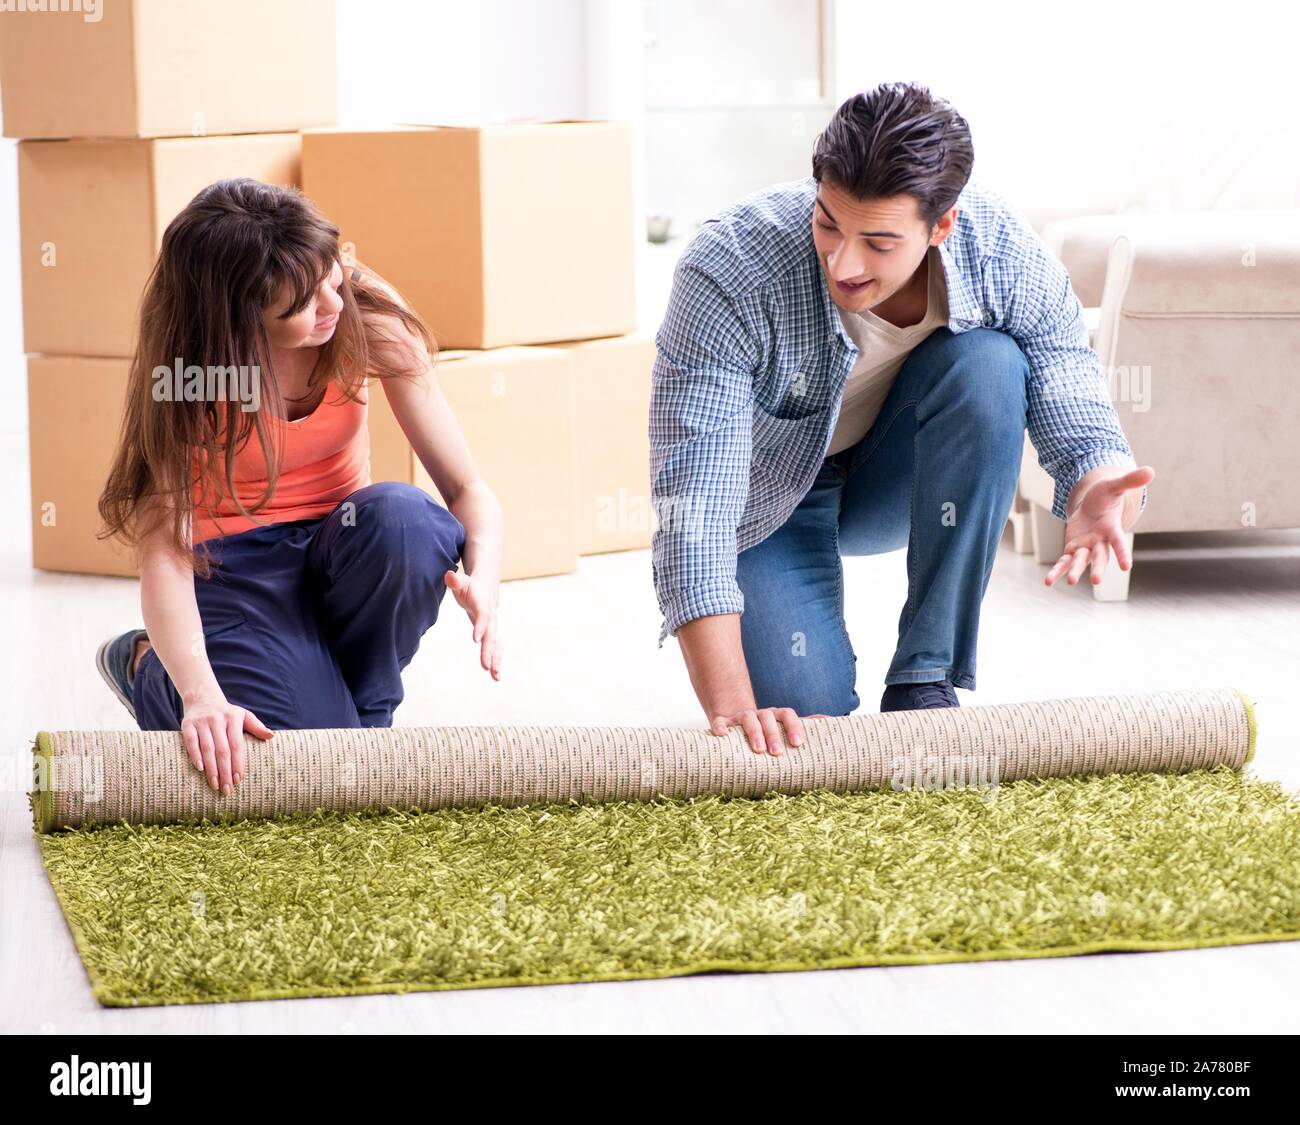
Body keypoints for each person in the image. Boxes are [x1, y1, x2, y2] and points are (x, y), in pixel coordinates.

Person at [650, 82, 1153, 756]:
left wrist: (1096, 479)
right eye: (828, 222)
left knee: (991, 364)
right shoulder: (730, 269)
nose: (844, 261)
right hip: (766, 504)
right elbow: (695, 497)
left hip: (892, 476)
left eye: (879, 241)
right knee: (804, 719)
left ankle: (926, 678)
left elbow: (1067, 371)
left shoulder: (1000, 251)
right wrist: (732, 706)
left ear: (941, 224)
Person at [95, 178, 505, 794]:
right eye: (301, 305)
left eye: (331, 279)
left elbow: (467, 488)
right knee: (273, 757)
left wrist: (486, 585)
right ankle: (153, 669)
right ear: (238, 320)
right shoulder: (189, 374)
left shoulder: (365, 314)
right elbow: (166, 553)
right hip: (230, 575)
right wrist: (203, 696)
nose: (333, 306)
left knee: (407, 521)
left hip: (337, 546)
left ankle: (350, 720)